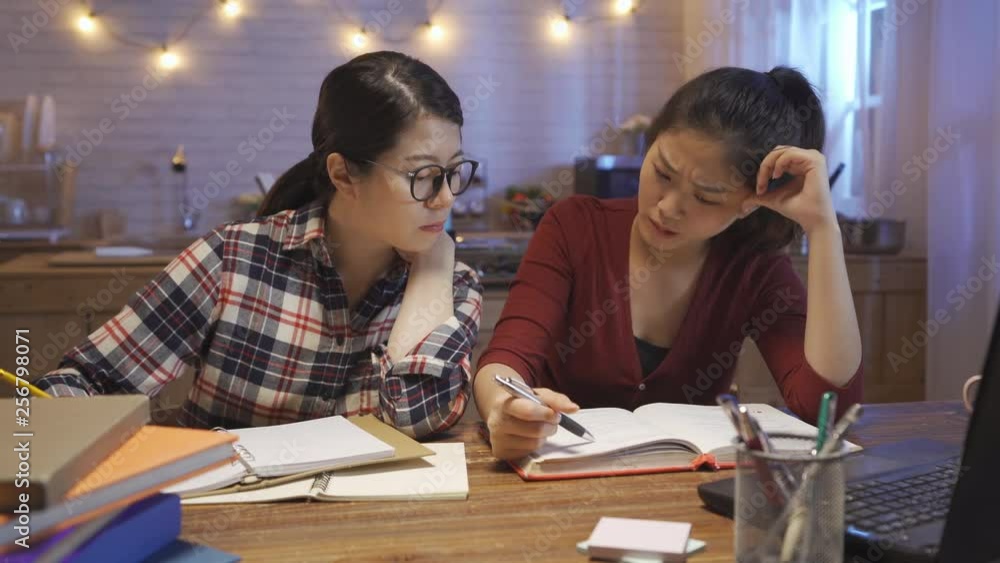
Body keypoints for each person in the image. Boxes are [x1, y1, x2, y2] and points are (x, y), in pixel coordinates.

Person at [36, 51, 483, 439]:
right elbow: (84, 383)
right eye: (423, 177)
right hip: (221, 524)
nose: (445, 198)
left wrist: (434, 266)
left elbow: (415, 416)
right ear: (343, 174)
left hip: (368, 533)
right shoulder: (232, 261)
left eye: (454, 172)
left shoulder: (452, 287)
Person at [474, 66, 863, 460]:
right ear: (650, 144)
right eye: (662, 172)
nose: (667, 207)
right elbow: (507, 357)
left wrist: (822, 228)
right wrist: (502, 410)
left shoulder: (754, 266)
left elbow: (826, 410)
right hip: (558, 480)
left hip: (688, 494)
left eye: (707, 197)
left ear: (751, 202)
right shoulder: (575, 227)